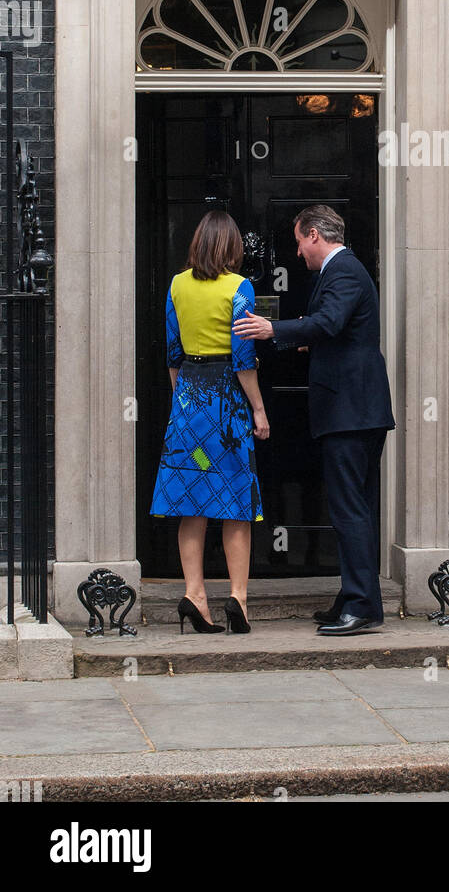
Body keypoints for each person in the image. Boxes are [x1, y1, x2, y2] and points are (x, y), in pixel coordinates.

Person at [233, 204, 395, 636]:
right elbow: (337, 330)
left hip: (351, 411)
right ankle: (355, 596)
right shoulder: (342, 271)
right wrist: (312, 341)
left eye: (299, 241)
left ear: (314, 236)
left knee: (349, 509)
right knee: (353, 507)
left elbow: (330, 321)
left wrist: (275, 330)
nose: (298, 251)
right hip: (353, 409)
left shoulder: (343, 271)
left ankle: (361, 605)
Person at [151, 210, 270, 635]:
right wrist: (257, 407)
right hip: (227, 401)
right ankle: (237, 597)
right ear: (232, 247)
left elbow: (172, 352)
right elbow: (243, 358)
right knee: (236, 503)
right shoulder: (240, 288)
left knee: (191, 502)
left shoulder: (177, 285)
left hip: (188, 396)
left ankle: (195, 594)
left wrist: (180, 402)